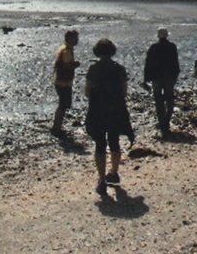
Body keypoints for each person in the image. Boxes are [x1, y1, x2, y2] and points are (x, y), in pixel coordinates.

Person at [84, 38, 134, 195]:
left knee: (100, 144)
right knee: (114, 141)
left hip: (98, 108)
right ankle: (114, 171)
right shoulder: (120, 69)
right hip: (115, 108)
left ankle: (101, 180)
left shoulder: (93, 69)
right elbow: (124, 92)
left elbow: (87, 92)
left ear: (97, 51)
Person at [143, 27, 180, 137]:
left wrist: (146, 78)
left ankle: (162, 122)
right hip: (169, 76)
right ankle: (166, 121)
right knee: (169, 99)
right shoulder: (172, 47)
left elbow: (148, 63)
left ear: (158, 36)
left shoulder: (153, 48)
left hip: (156, 77)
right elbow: (175, 62)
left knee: (158, 100)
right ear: (167, 35)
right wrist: (176, 75)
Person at [51, 29, 80, 136]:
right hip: (63, 82)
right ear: (70, 39)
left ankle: (57, 126)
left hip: (61, 80)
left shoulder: (63, 48)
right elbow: (64, 65)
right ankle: (56, 128)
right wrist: (75, 65)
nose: (77, 40)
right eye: (75, 38)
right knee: (63, 105)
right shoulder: (67, 51)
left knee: (63, 104)